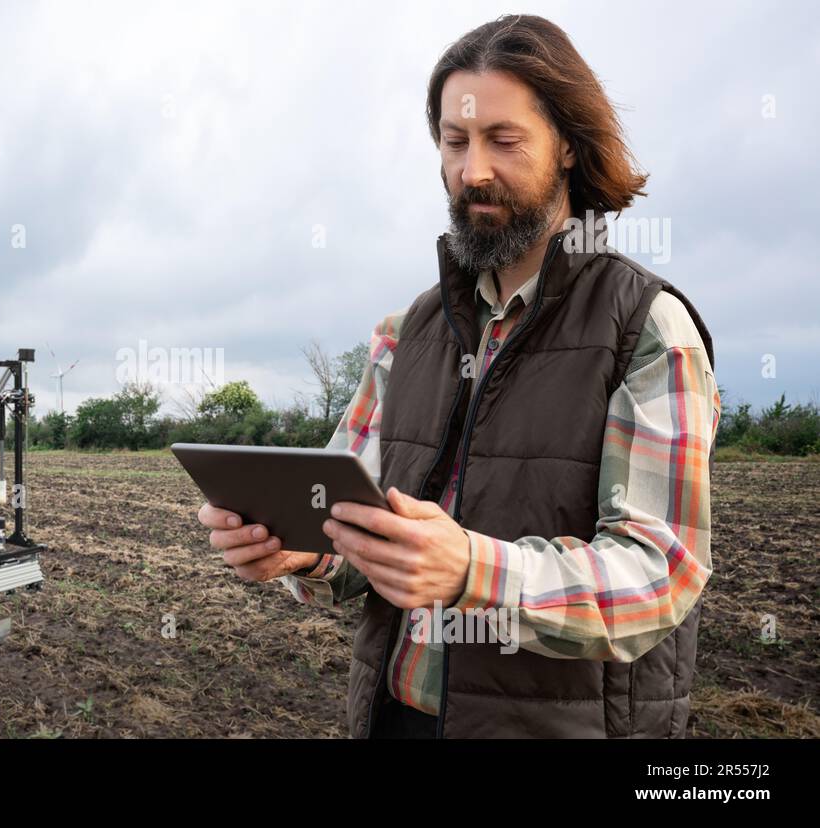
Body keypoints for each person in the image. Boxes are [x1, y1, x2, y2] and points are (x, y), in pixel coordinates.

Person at [197, 14, 721, 738]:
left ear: (568, 146)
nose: (473, 168)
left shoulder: (646, 327)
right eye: (455, 141)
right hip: (393, 720)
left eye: (503, 140)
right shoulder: (403, 334)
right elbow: (354, 529)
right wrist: (304, 552)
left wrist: (474, 569)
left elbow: (659, 575)